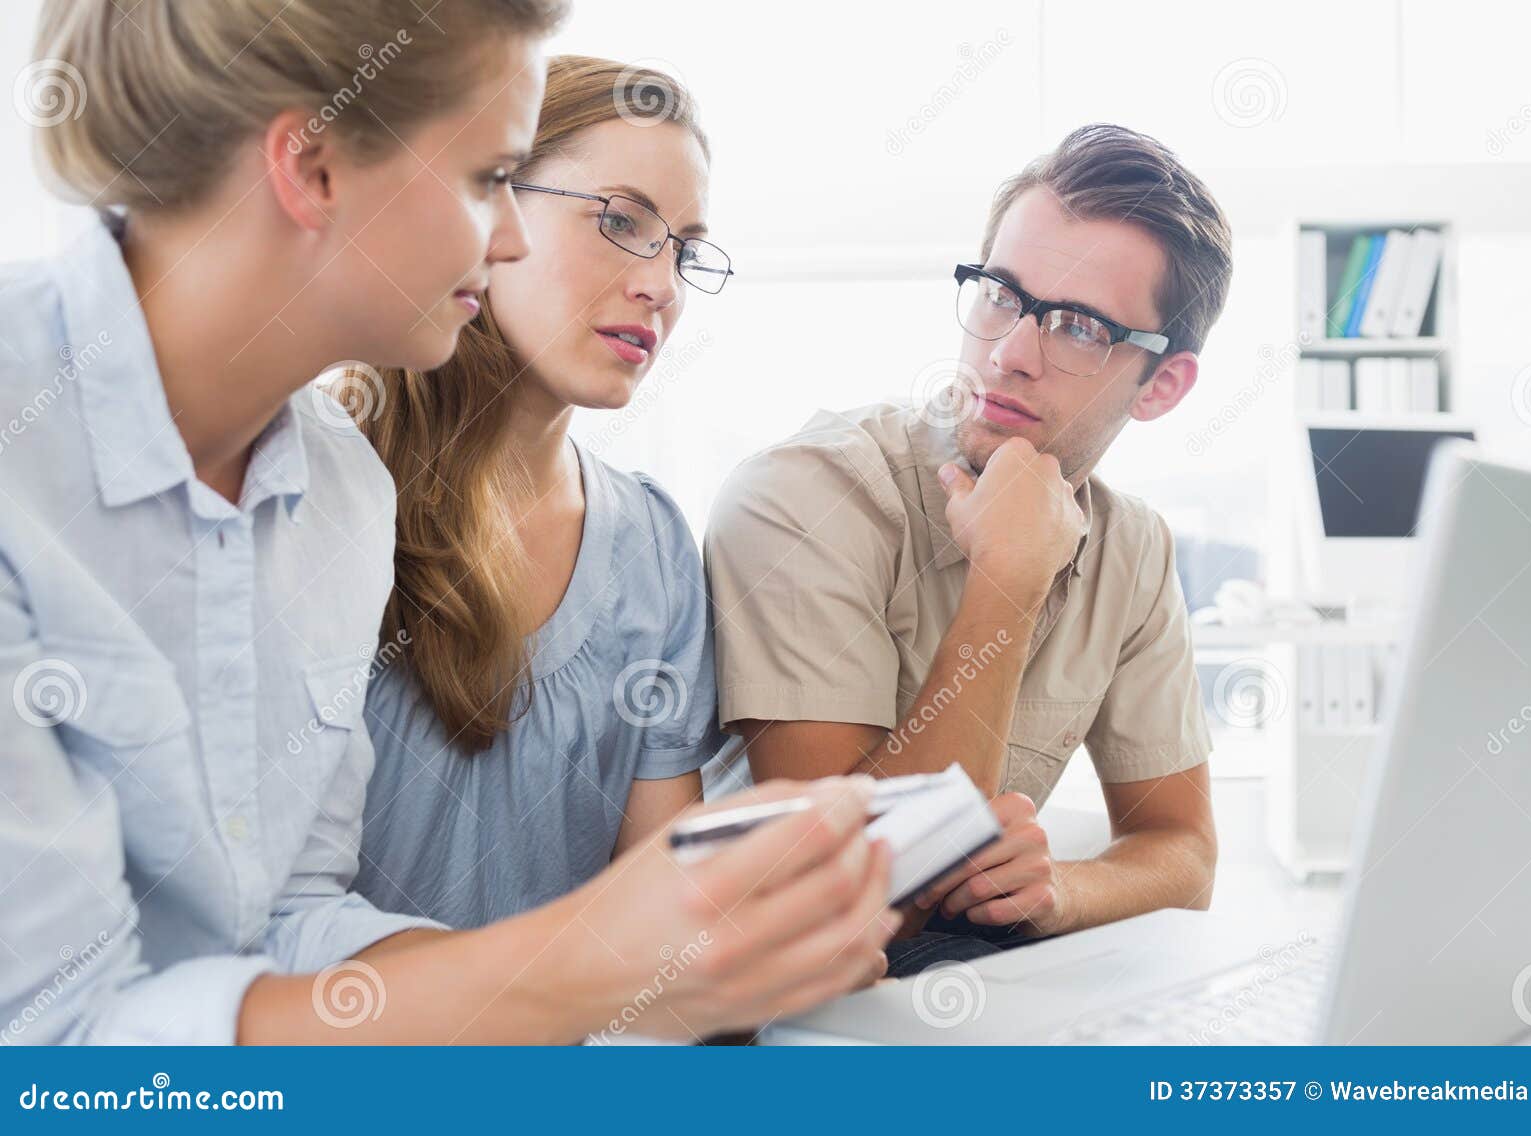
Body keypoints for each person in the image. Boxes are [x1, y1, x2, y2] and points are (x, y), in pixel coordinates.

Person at [0, 0, 894, 1046]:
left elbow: (285, 926)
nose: (505, 234)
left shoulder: (333, 489)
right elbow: (49, 1058)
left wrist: (665, 957)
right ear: (314, 167)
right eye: (485, 180)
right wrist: (584, 967)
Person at [703, 124, 1231, 976]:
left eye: (1080, 327)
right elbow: (845, 898)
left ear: (1161, 385)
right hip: (770, 1008)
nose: (1010, 354)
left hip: (958, 984)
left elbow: (1183, 850)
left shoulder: (1132, 546)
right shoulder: (805, 495)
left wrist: (1060, 890)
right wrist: (1009, 581)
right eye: (1000, 294)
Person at [352, 57, 731, 928]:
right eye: (623, 221)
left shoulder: (655, 549)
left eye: (686, 249)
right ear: (490, 204)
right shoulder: (319, 491)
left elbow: (657, 922)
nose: (662, 287)